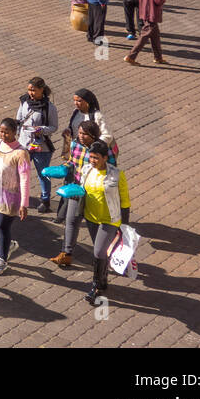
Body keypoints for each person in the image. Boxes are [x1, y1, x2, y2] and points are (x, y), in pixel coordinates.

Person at [50, 118, 116, 268]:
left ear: (94, 135)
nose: (81, 136)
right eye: (79, 133)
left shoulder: (103, 149)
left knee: (94, 228)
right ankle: (66, 254)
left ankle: (103, 257)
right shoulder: (75, 145)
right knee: (71, 221)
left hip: (95, 193)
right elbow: (72, 162)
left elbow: (112, 170)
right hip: (76, 189)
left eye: (85, 134)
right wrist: (64, 168)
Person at [0, 118, 33, 275]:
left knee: (2, 227)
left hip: (10, 197)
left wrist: (24, 204)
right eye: (1, 131)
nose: (3, 134)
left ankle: (2, 259)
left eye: (6, 132)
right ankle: (8, 245)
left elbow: (25, 179)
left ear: (14, 133)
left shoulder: (21, 153)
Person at [80, 141, 131, 304]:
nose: (92, 160)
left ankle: (96, 286)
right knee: (100, 252)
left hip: (109, 220)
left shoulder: (117, 174)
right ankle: (103, 279)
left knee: (98, 252)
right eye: (90, 157)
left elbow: (125, 201)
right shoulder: (86, 169)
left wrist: (124, 224)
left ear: (104, 158)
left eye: (96, 158)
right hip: (91, 218)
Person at [15, 77, 59, 213]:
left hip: (42, 147)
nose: (31, 93)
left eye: (34, 90)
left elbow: (54, 127)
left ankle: (45, 201)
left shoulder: (49, 107)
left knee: (43, 174)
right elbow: (18, 120)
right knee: (20, 171)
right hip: (24, 145)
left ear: (42, 90)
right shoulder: (24, 102)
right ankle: (18, 197)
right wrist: (18, 134)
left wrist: (41, 129)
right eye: (29, 90)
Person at [124, 0, 167, 65]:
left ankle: (158, 57)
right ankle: (131, 56)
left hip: (144, 11)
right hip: (152, 13)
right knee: (145, 35)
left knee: (155, 35)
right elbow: (158, 0)